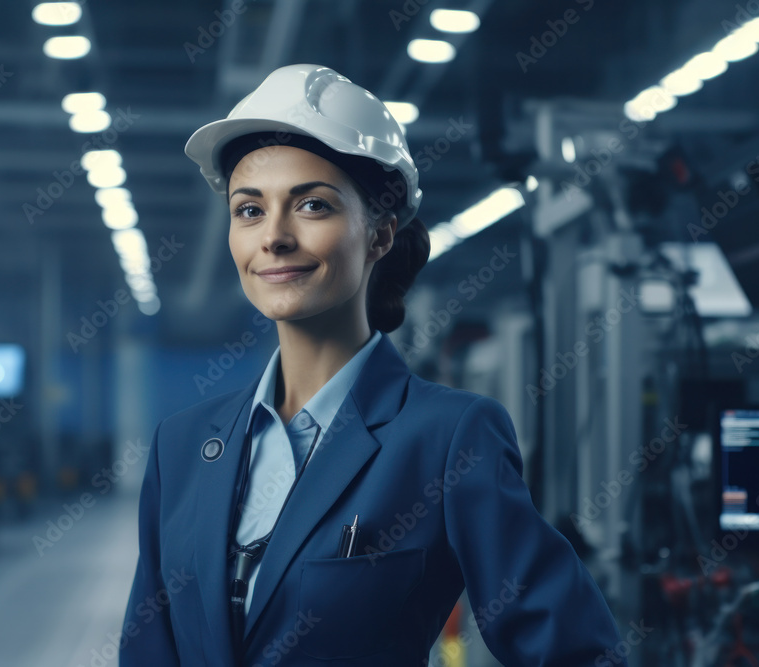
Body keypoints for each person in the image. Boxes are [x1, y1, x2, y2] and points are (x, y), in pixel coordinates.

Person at [119, 63, 626, 666]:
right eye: (249, 210)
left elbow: (576, 652)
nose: (274, 237)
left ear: (381, 233)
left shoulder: (447, 439)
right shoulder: (182, 447)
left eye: (311, 205)